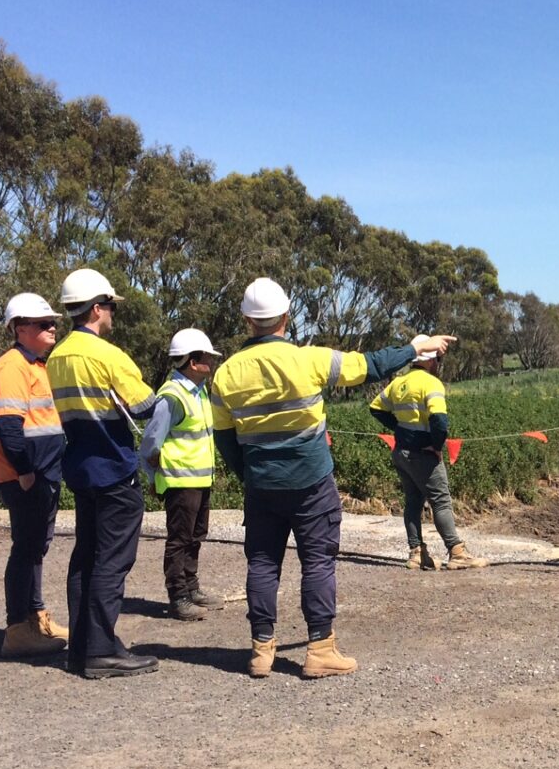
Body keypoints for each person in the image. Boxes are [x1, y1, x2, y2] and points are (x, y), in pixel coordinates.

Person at [209, 277, 455, 679]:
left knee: (262, 562)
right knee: (318, 562)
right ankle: (320, 649)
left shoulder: (226, 374)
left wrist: (250, 475)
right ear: (287, 317)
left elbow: (226, 440)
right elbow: (371, 365)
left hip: (261, 485)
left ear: (247, 321)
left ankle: (260, 651)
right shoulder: (311, 360)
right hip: (311, 482)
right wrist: (415, 347)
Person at [47, 268, 162, 680]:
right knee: (112, 562)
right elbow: (145, 405)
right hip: (113, 470)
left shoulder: (56, 357)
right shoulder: (108, 355)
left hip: (79, 468)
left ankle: (81, 647)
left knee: (85, 558)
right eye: (110, 306)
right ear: (96, 308)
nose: (112, 314)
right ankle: (101, 651)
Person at [0, 292, 71, 657]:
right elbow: (9, 427)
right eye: (42, 323)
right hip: (27, 477)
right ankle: (18, 627)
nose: (52, 327)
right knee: (26, 550)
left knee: (35, 548)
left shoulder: (36, 365)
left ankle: (34, 617)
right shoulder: (12, 367)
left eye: (52, 322)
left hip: (42, 474)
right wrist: (24, 471)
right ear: (20, 328)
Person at [368, 349, 489, 571]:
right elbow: (439, 421)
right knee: (441, 501)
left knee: (413, 501)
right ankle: (457, 552)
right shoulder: (431, 384)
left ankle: (416, 554)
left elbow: (375, 407)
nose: (438, 364)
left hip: (401, 453)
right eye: (438, 360)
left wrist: (399, 429)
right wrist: (435, 446)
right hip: (423, 454)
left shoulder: (399, 383)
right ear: (431, 360)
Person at [141, 329, 223, 621]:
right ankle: (178, 597)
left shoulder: (199, 392)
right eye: (206, 357)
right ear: (192, 362)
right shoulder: (172, 396)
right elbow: (151, 442)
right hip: (180, 480)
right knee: (179, 538)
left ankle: (191, 587)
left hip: (199, 479)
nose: (211, 362)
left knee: (195, 536)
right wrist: (153, 477)